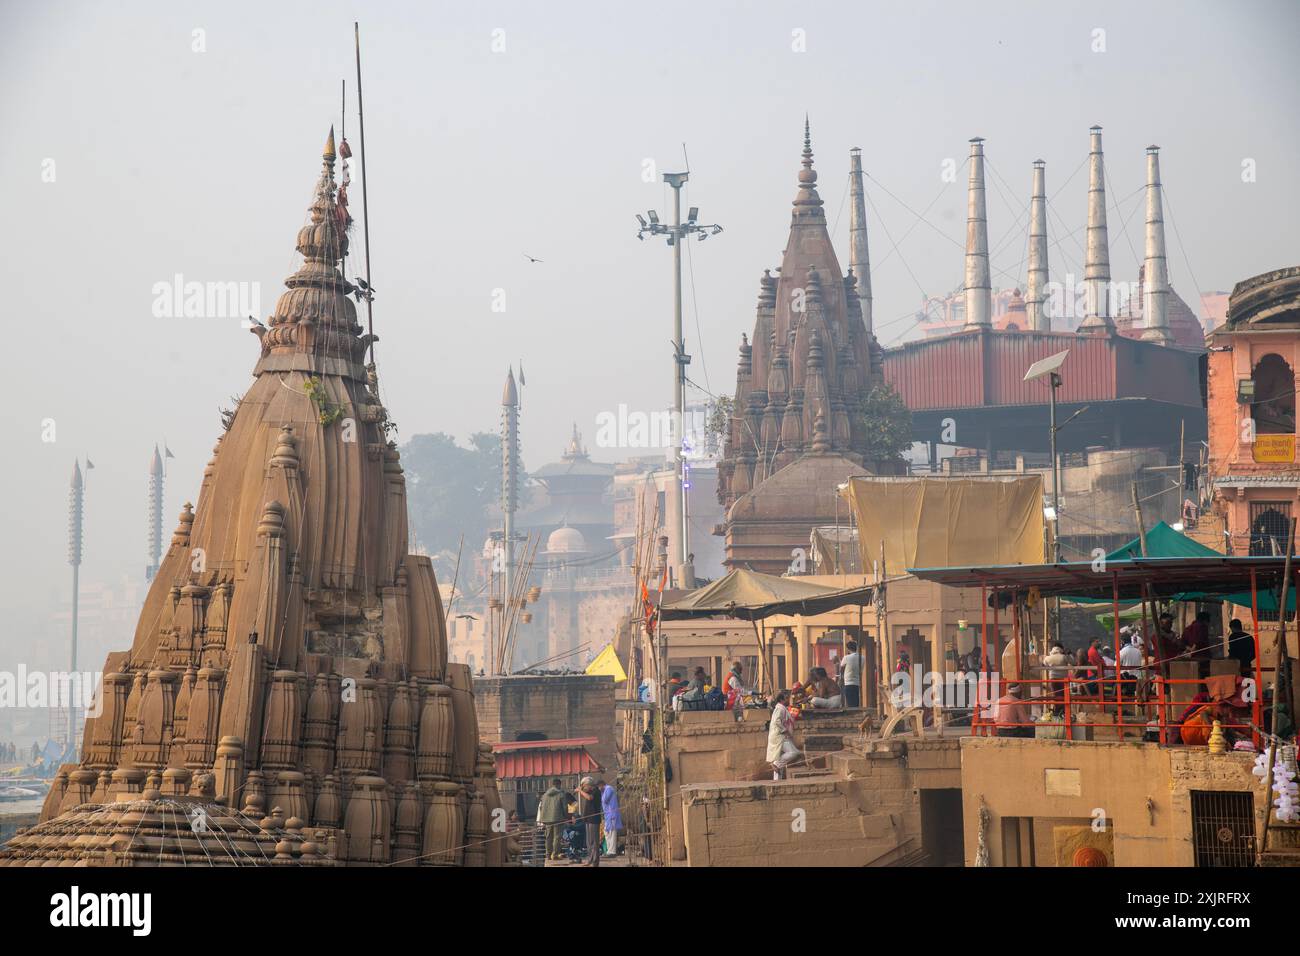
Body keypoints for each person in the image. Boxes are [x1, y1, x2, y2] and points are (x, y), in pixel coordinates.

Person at [767, 689, 803, 778]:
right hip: (780, 736)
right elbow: (776, 721)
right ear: (783, 699)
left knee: (782, 757)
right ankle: (776, 764)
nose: (789, 700)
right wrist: (785, 730)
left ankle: (777, 781)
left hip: (782, 736)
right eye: (788, 698)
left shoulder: (782, 708)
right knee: (793, 752)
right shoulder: (780, 708)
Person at [536, 777, 571, 862]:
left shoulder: (544, 795)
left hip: (547, 819)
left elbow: (541, 807)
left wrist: (542, 818)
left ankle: (548, 855)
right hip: (558, 818)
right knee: (557, 837)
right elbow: (565, 807)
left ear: (552, 785)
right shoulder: (561, 794)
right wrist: (567, 817)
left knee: (548, 837)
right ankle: (554, 854)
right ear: (559, 784)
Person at [575, 777, 602, 867]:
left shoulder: (596, 791)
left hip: (594, 819)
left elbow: (590, 798)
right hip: (588, 819)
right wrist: (581, 789)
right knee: (589, 842)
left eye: (585, 786)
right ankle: (589, 859)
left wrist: (580, 791)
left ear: (589, 785)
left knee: (594, 842)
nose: (584, 788)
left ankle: (595, 862)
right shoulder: (589, 791)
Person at [601, 779, 622, 857]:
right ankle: (609, 850)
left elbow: (605, 800)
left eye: (599, 787)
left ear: (602, 785)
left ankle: (612, 852)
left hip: (612, 814)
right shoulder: (604, 790)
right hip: (608, 815)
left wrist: (601, 793)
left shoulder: (609, 788)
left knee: (612, 832)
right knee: (606, 832)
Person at [841, 641, 863, 709]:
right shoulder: (862, 657)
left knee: (850, 702)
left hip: (848, 682)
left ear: (848, 649)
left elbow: (842, 668)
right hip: (857, 682)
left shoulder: (846, 657)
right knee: (856, 701)